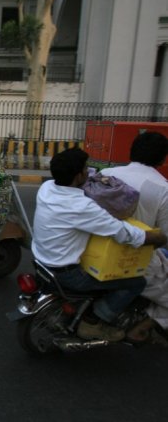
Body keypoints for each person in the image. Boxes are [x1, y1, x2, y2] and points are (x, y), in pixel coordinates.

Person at [32, 147, 166, 342]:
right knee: (136, 283)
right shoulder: (82, 207)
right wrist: (154, 238)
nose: (89, 171)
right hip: (69, 275)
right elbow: (122, 232)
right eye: (86, 169)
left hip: (42, 262)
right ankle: (93, 322)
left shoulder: (47, 188)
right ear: (78, 176)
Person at [101, 132, 168, 336]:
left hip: (95, 249)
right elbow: (165, 235)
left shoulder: (106, 173)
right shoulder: (162, 188)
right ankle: (141, 328)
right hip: (134, 259)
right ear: (163, 158)